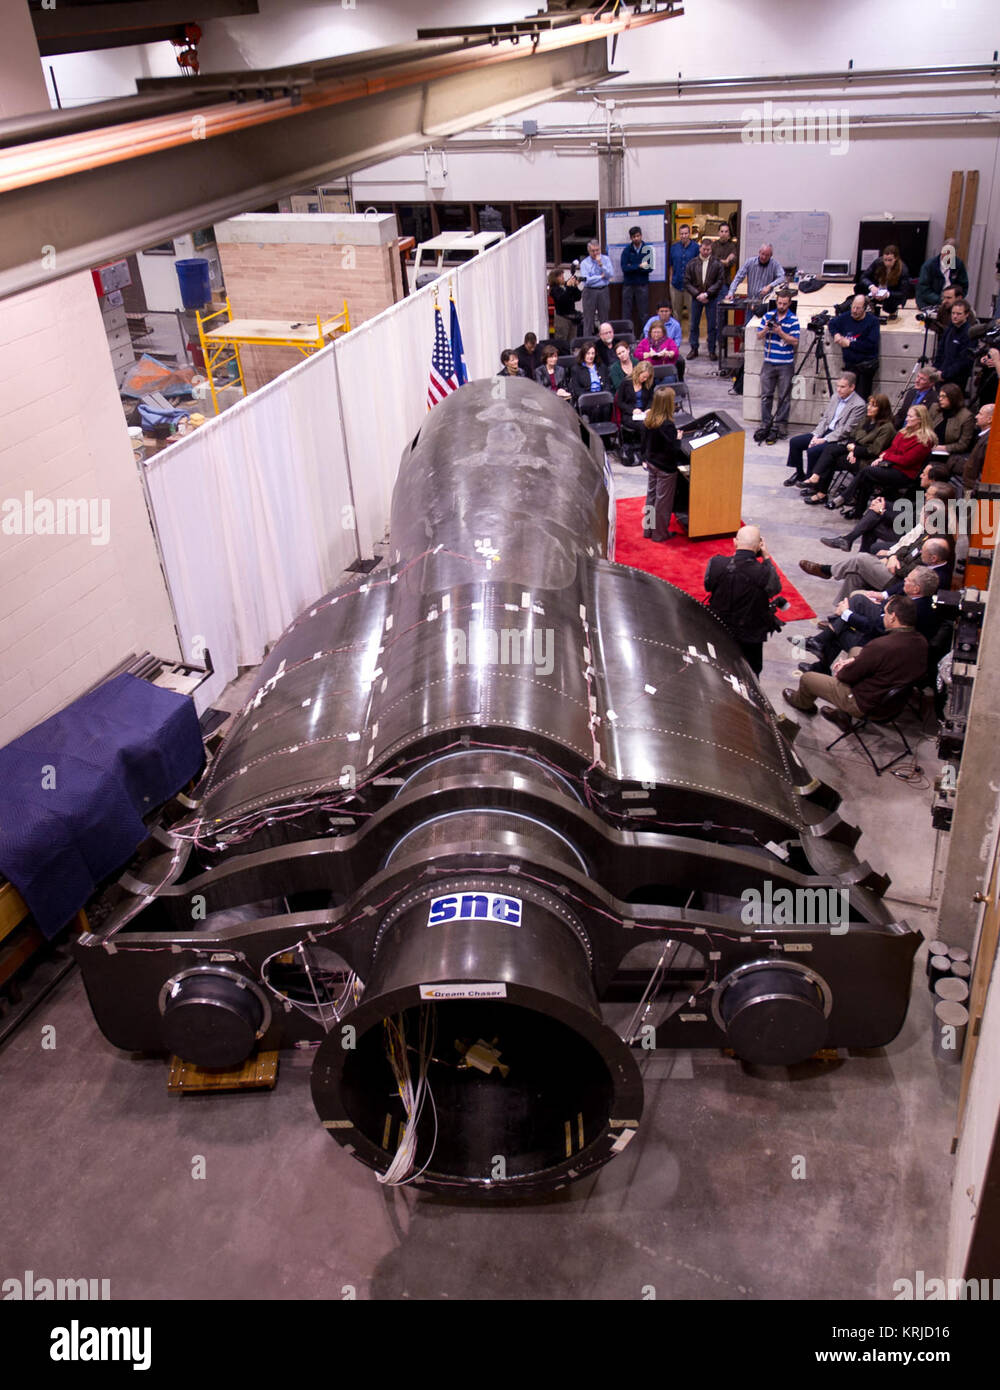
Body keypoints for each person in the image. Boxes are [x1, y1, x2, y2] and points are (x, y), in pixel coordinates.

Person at [781, 595, 929, 730]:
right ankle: (842, 716)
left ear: (893, 618)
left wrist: (843, 668)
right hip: (894, 702)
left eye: (885, 613)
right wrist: (855, 660)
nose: (882, 617)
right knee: (857, 650)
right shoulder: (921, 642)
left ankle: (803, 703)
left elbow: (846, 677)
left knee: (808, 678)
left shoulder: (881, 645)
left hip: (865, 703)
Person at [703, 525, 782, 676]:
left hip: (719, 628)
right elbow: (775, 588)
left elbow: (708, 586)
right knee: (751, 673)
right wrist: (766, 557)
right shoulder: (764, 573)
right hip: (750, 635)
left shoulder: (716, 563)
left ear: (735, 542)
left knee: (717, 668)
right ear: (760, 545)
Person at [833, 404, 937, 515]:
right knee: (867, 477)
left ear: (920, 419)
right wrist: (881, 457)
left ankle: (845, 498)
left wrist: (885, 457)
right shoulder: (903, 432)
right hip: (891, 466)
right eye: (907, 416)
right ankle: (857, 510)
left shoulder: (925, 440)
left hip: (905, 474)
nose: (907, 419)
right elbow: (890, 449)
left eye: (910, 417)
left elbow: (906, 460)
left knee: (867, 471)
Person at [800, 534, 952, 605]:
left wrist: (884, 594)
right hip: (897, 570)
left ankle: (827, 570)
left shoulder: (936, 575)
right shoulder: (928, 541)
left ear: (933, 558)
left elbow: (907, 577)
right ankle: (841, 612)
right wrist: (893, 556)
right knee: (855, 575)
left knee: (861, 559)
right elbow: (907, 548)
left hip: (897, 581)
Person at [799, 393, 896, 505]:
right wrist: (851, 450)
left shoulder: (887, 428)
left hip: (867, 459)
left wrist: (854, 451)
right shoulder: (867, 419)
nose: (869, 407)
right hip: (854, 450)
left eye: (873, 406)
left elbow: (874, 450)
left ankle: (820, 491)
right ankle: (816, 478)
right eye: (869, 404)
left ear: (882, 409)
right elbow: (852, 435)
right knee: (830, 449)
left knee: (831, 459)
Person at [782, 373, 866, 483]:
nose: (839, 390)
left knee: (813, 450)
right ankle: (799, 473)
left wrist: (824, 439)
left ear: (852, 387)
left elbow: (846, 429)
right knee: (795, 442)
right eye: (838, 386)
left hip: (839, 438)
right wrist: (816, 435)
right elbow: (825, 418)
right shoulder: (835, 397)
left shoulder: (859, 405)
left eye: (842, 387)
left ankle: (810, 480)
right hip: (825, 431)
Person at [754, 289, 801, 444]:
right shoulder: (768, 316)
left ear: (789, 304)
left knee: (784, 397)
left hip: (785, 364)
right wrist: (767, 328)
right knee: (766, 395)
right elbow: (759, 335)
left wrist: (780, 332)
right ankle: (765, 423)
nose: (781, 305)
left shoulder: (793, 320)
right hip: (769, 362)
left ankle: (781, 425)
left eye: (784, 303)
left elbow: (795, 341)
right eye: (779, 303)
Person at [641, 385, 685, 542]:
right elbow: (672, 449)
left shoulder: (649, 418)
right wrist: (678, 439)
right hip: (665, 468)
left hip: (652, 463)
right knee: (663, 502)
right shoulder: (667, 425)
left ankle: (648, 529)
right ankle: (659, 534)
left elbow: (644, 442)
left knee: (651, 497)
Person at [828, 294, 881, 401]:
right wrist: (836, 334)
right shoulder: (846, 317)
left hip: (865, 366)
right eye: (853, 307)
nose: (854, 311)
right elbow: (832, 324)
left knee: (860, 400)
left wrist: (849, 344)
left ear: (865, 308)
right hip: (849, 366)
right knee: (845, 397)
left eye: (858, 308)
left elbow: (870, 345)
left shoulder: (873, 322)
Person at [683, 240, 727, 360]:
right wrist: (698, 294)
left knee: (712, 325)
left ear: (711, 250)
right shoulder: (691, 263)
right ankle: (694, 348)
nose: (706, 252)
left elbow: (720, 281)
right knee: (694, 324)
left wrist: (707, 294)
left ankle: (712, 350)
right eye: (704, 249)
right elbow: (687, 282)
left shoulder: (717, 264)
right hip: (696, 298)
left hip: (711, 298)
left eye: (708, 250)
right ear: (700, 249)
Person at [616, 360, 656, 465]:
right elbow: (619, 402)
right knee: (644, 426)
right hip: (630, 415)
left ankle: (656, 453)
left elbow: (651, 399)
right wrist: (632, 410)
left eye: (647, 377)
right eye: (643, 377)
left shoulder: (648, 383)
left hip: (644, 413)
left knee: (658, 422)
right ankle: (644, 457)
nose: (644, 379)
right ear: (637, 373)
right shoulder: (626, 383)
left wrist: (649, 408)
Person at [856, 245, 912, 316]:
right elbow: (863, 277)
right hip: (876, 291)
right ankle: (870, 304)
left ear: (896, 258)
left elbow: (903, 292)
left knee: (889, 307)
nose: (887, 263)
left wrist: (887, 294)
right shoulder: (878, 262)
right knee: (858, 287)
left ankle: (893, 310)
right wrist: (871, 286)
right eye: (885, 260)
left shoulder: (903, 270)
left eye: (890, 260)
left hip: (891, 294)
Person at [933, 299, 975, 390]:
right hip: (941, 375)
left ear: (966, 314)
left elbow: (964, 361)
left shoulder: (969, 333)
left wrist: (945, 374)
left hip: (956, 380)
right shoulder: (949, 329)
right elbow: (940, 352)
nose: (955, 316)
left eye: (959, 314)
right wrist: (936, 369)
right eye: (953, 313)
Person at [916, 239, 970, 309]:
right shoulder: (929, 266)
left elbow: (963, 286)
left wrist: (956, 299)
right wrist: (943, 300)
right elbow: (923, 290)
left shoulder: (958, 265)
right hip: (929, 303)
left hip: (952, 304)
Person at [620, 225, 654, 336]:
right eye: (634, 237)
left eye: (638, 236)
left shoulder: (647, 250)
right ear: (631, 238)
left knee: (643, 313)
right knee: (626, 312)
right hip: (628, 285)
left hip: (642, 284)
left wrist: (632, 266)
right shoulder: (626, 250)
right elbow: (624, 268)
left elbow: (649, 268)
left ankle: (645, 337)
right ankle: (627, 336)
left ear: (641, 235)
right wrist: (639, 266)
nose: (636, 238)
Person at [929, 382, 976, 460]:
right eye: (940, 396)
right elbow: (924, 428)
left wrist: (942, 448)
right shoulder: (935, 408)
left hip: (949, 455)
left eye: (944, 396)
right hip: (928, 450)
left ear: (953, 398)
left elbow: (963, 444)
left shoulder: (966, 416)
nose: (940, 399)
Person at [579, 238, 613, 333]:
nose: (595, 253)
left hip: (603, 290)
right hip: (589, 291)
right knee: (588, 319)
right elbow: (587, 281)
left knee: (604, 318)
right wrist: (601, 277)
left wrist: (601, 265)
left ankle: (605, 340)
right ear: (589, 251)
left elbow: (610, 275)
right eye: (593, 251)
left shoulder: (606, 260)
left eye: (597, 250)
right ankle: (588, 342)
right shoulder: (584, 263)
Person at [668, 224, 700, 318]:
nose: (684, 236)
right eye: (681, 234)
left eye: (686, 233)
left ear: (689, 234)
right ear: (679, 234)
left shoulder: (696, 247)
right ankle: (677, 332)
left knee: (692, 313)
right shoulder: (674, 248)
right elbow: (671, 265)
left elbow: (699, 266)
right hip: (676, 285)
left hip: (691, 286)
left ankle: (692, 333)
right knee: (676, 313)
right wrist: (671, 280)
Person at [961, 401, 994, 489]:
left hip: (974, 489)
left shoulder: (989, 441)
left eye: (980, 414)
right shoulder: (984, 437)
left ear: (990, 419)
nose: (976, 416)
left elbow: (984, 468)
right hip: (970, 486)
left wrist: (977, 488)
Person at [549, 267, 582, 341]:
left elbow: (578, 297)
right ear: (555, 278)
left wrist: (575, 286)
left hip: (572, 317)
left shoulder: (566, 286)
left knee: (572, 340)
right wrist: (568, 287)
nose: (563, 277)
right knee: (562, 340)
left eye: (563, 275)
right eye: (560, 276)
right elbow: (563, 299)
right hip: (562, 317)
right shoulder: (554, 289)